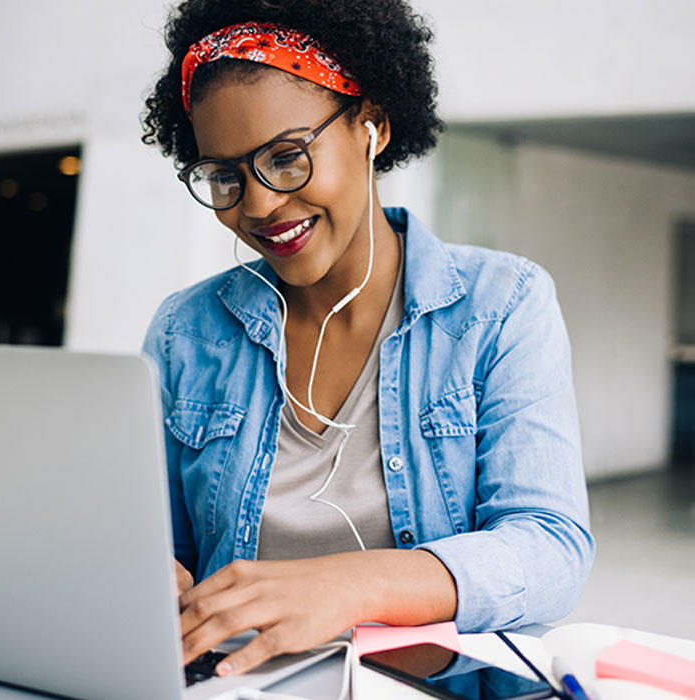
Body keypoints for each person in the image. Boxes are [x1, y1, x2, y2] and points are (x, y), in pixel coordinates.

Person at [140, 0, 594, 679]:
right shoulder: (186, 331)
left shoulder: (500, 305)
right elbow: (156, 551)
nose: (259, 205)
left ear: (372, 128)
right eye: (226, 176)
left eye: (287, 158)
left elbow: (550, 547)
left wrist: (353, 584)